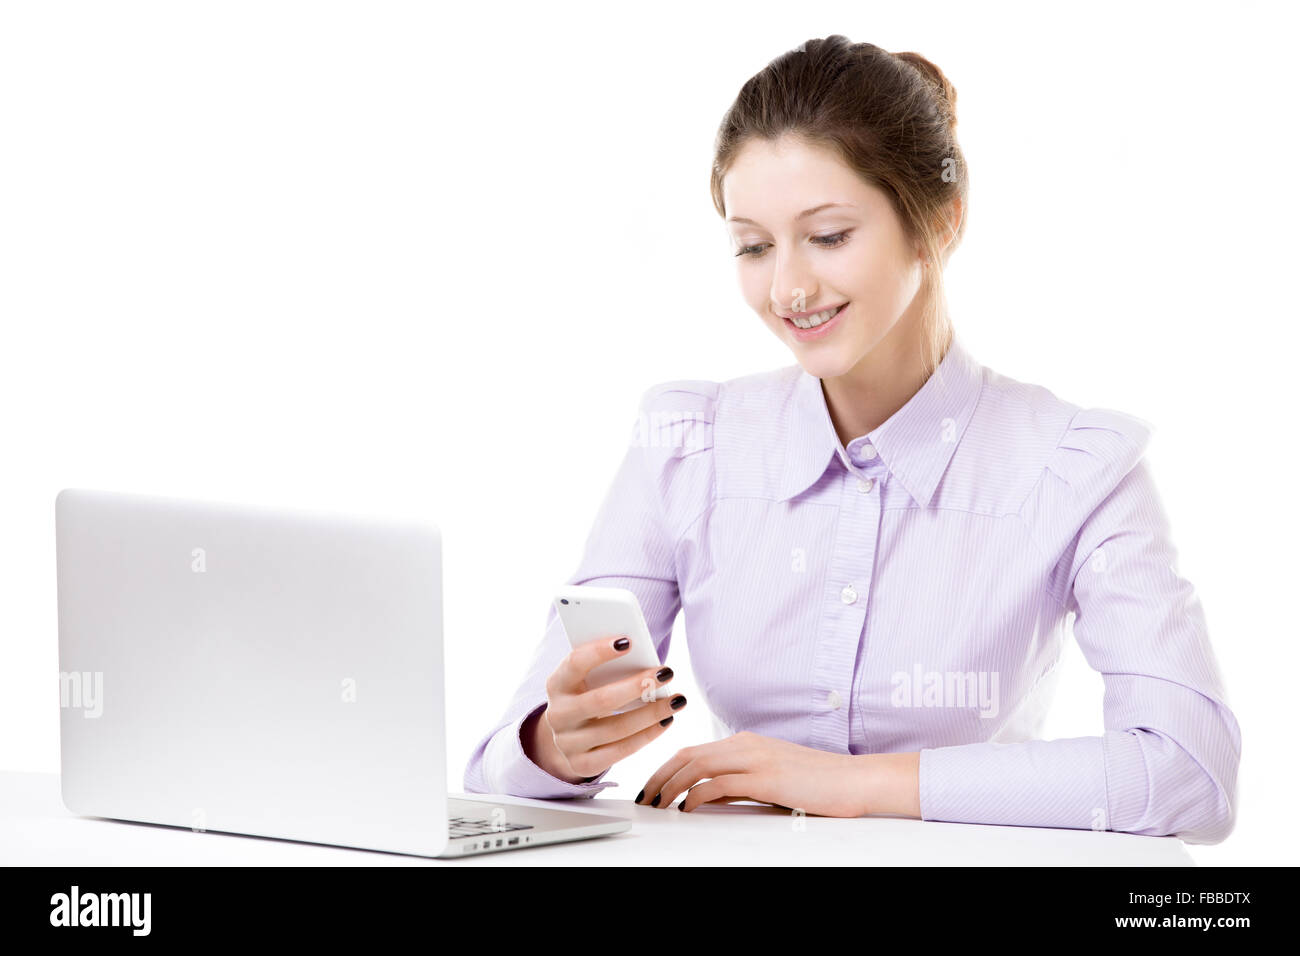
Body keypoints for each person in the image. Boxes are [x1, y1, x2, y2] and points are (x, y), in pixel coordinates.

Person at [463, 35, 1240, 843]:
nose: (788, 288)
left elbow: (1191, 776)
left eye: (829, 236)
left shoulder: (1075, 465)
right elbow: (496, 769)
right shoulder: (687, 444)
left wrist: (849, 785)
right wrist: (559, 744)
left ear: (939, 221)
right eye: (754, 246)